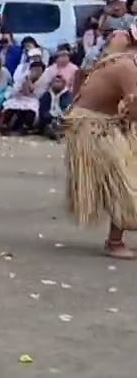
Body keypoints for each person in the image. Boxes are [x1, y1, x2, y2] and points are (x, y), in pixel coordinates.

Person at [63, 27, 137, 259]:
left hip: (103, 123)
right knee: (124, 180)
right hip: (92, 127)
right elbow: (134, 106)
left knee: (130, 174)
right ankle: (114, 242)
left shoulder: (115, 62)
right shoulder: (126, 66)